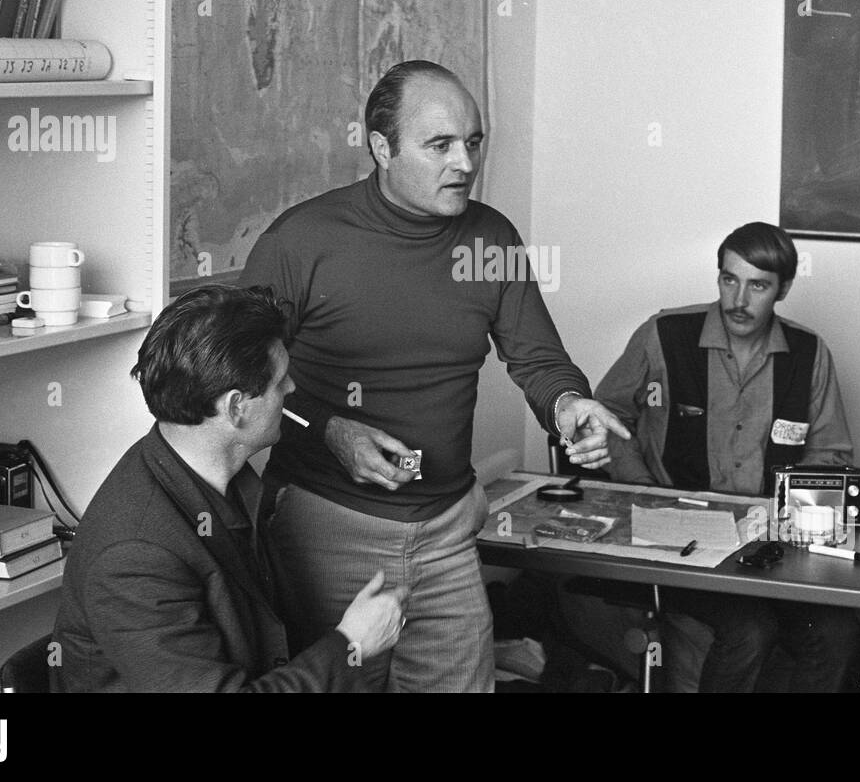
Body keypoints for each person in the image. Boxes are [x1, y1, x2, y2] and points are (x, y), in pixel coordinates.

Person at [239, 60, 629, 692]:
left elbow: (536, 357)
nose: (466, 163)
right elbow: (234, 387)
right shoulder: (301, 243)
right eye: (440, 145)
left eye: (473, 141)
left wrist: (568, 405)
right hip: (328, 524)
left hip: (448, 528)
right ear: (381, 148)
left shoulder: (489, 236)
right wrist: (327, 428)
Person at [52, 285, 407, 692]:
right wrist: (352, 645)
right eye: (279, 382)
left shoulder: (208, 472)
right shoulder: (136, 556)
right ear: (236, 407)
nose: (291, 389)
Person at [595, 222, 857, 692]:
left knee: (837, 631)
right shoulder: (664, 334)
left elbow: (829, 453)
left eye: (757, 285)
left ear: (783, 289)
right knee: (750, 630)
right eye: (728, 280)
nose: (738, 300)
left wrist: (797, 517)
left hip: (768, 542)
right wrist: (643, 490)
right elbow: (609, 414)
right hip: (678, 537)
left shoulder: (809, 352)